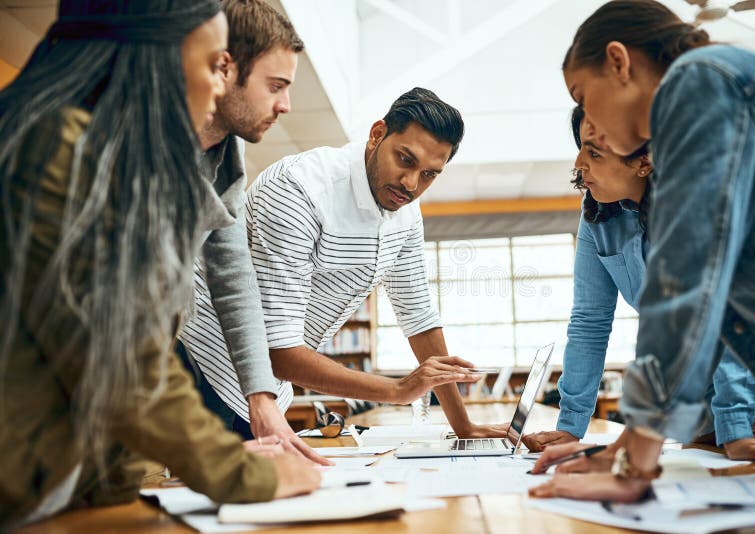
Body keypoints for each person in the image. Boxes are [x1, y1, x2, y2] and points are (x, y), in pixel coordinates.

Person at [0, 1, 318, 526]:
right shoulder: (60, 150)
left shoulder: (117, 159)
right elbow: (125, 359)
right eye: (213, 65)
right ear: (159, 56)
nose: (217, 86)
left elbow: (112, 361)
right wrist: (244, 474)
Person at [529, 0, 755, 502]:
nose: (589, 126)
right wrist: (629, 445)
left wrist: (635, 462)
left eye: (583, 97)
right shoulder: (706, 91)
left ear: (619, 62)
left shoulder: (702, 83)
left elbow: (688, 280)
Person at [181, 88, 509, 439]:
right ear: (377, 134)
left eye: (429, 174)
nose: (411, 184)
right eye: (405, 159)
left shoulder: (406, 214)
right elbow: (279, 351)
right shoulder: (300, 188)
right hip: (202, 370)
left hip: (264, 391)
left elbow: (419, 317)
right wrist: (397, 390)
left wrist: (464, 427)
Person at [523, 106, 755, 463]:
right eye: (580, 148)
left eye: (595, 153)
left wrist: (735, 425)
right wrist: (571, 426)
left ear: (644, 161)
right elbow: (590, 322)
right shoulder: (598, 217)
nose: (578, 163)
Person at [174, 0, 328, 465]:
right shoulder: (146, 146)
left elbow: (234, 277)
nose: (285, 105)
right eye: (275, 85)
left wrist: (261, 399)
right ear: (225, 69)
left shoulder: (226, 154)